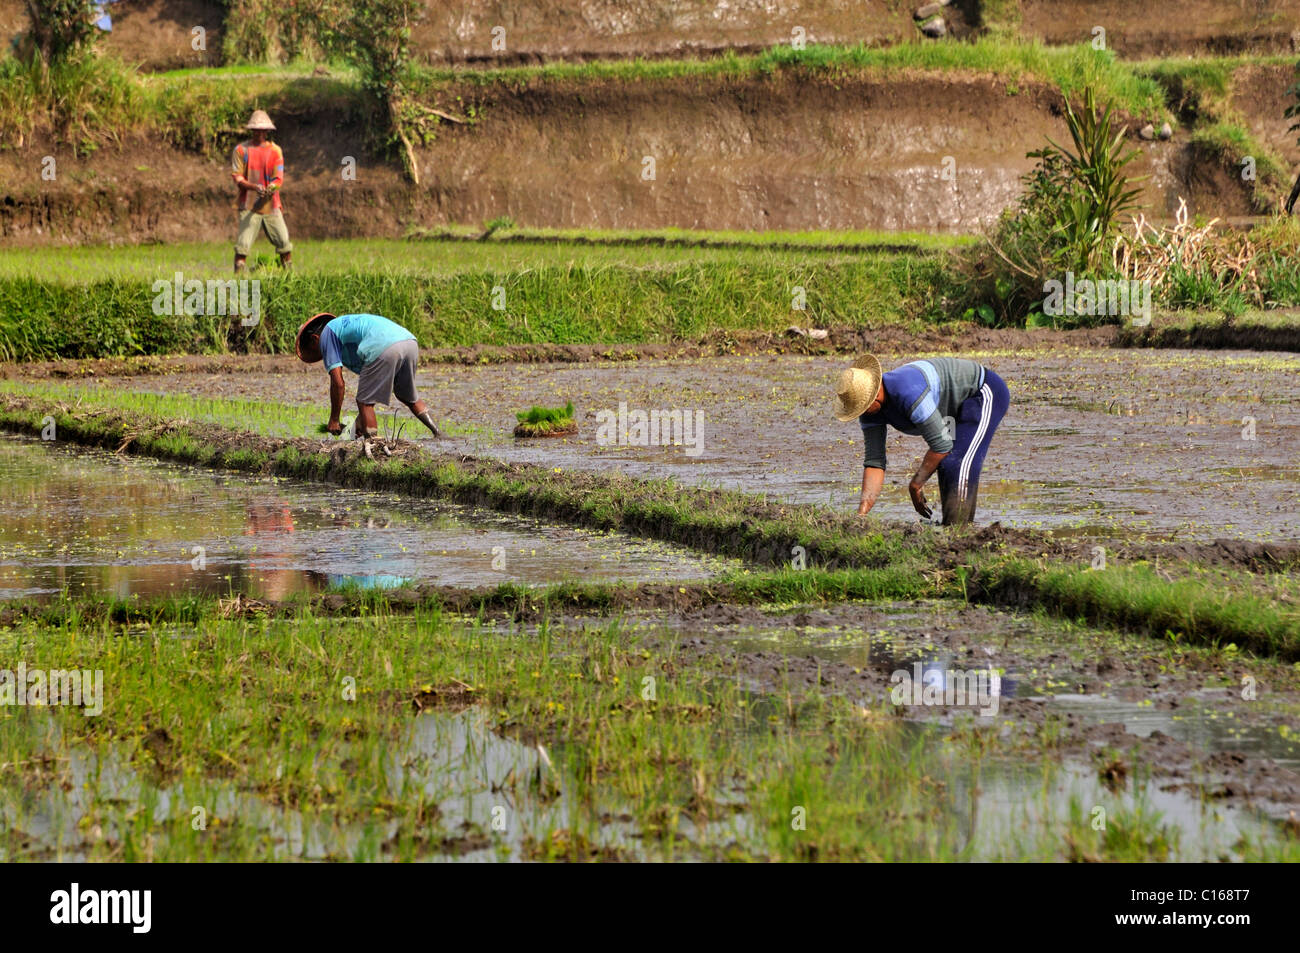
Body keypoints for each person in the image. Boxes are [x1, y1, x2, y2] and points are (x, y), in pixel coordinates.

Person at [834, 354, 1009, 525]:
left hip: (981, 392)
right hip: (949, 410)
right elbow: (874, 462)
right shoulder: (870, 412)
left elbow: (941, 445)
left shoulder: (908, 393)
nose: (862, 413)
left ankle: (959, 533)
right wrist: (861, 515)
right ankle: (954, 527)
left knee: (958, 463)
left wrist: (915, 485)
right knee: (947, 463)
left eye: (863, 407)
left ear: (875, 395)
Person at [295, 312, 443, 440]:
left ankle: (374, 445)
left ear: (315, 339)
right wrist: (361, 420)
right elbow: (375, 382)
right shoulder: (343, 328)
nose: (320, 352)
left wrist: (334, 419)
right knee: (406, 395)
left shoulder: (327, 335)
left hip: (384, 345)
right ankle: (438, 433)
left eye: (313, 349)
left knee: (364, 401)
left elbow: (338, 383)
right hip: (408, 342)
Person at [231, 110, 291, 273]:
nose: (259, 133)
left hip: (271, 204)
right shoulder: (241, 150)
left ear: (267, 131)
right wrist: (254, 187)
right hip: (249, 204)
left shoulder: (275, 151)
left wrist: (270, 188)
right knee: (243, 245)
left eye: (262, 130)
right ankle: (238, 278)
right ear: (252, 130)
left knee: (284, 242)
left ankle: (289, 276)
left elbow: (278, 178)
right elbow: (237, 177)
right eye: (256, 130)